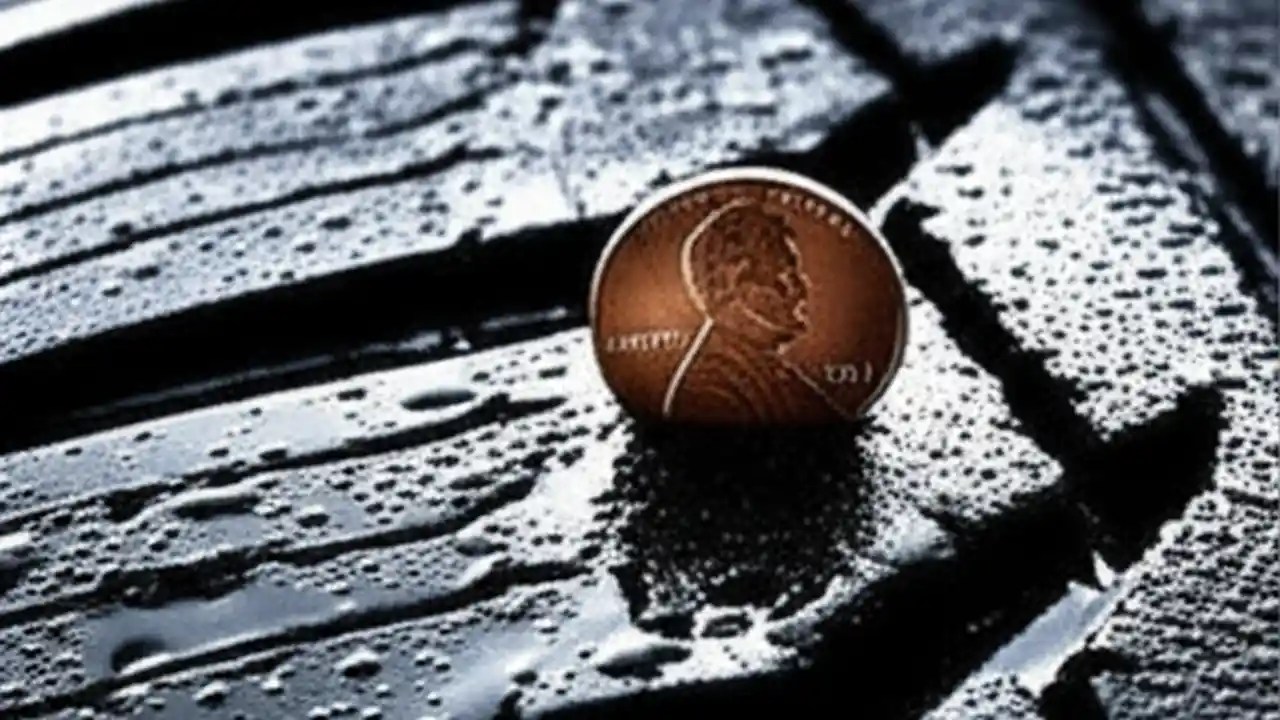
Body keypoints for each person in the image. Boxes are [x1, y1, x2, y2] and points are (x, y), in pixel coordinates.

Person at [663, 199, 850, 422]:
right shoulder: (710, 393)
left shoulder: (764, 367)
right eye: (786, 273)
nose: (802, 287)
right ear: (740, 282)